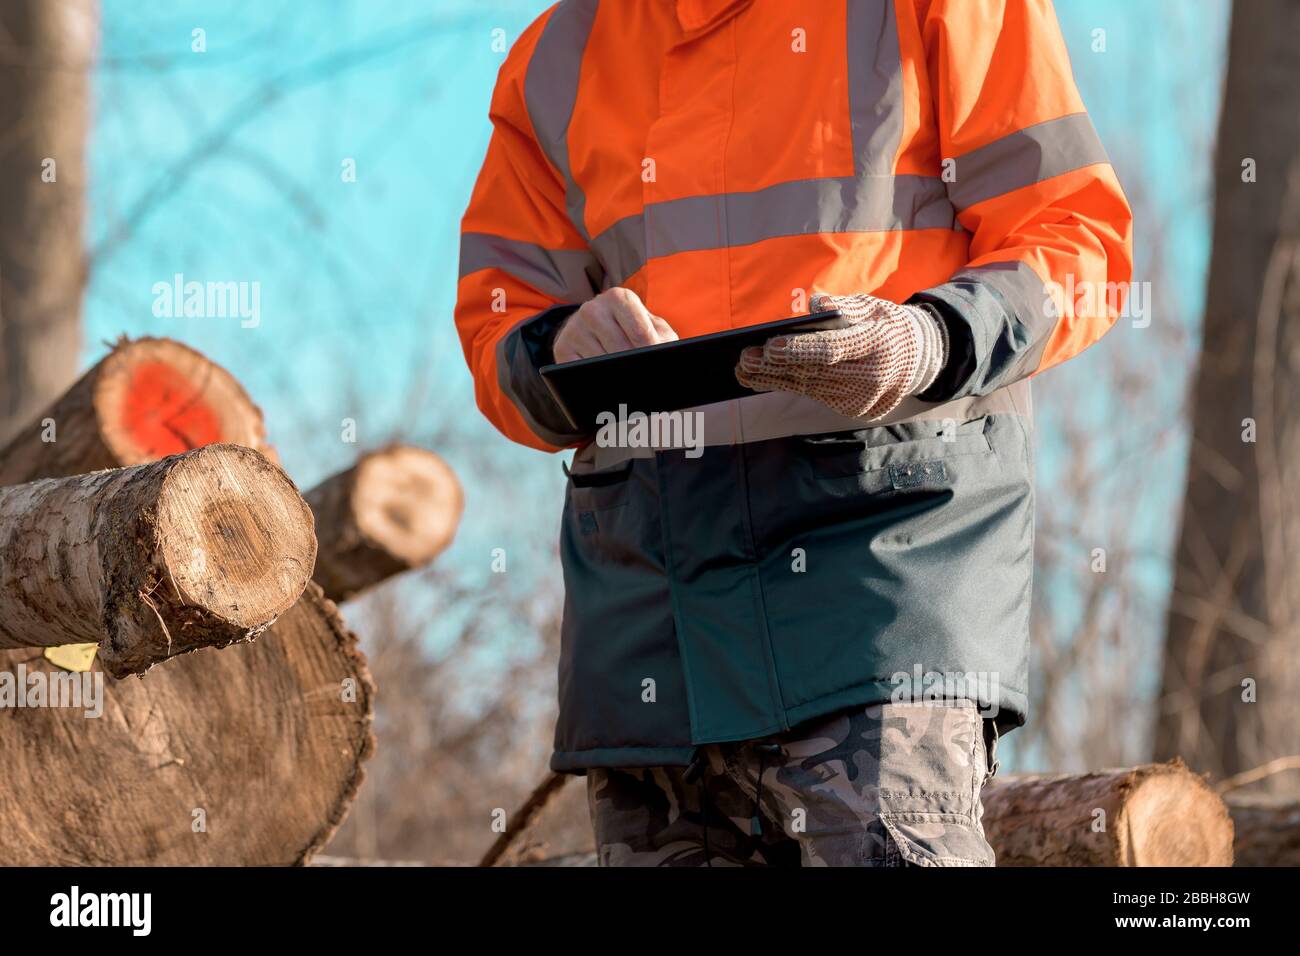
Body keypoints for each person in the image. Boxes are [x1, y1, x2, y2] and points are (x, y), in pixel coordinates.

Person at [455, 0, 1132, 866]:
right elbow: (496, 327)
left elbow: (1080, 242)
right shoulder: (556, 54)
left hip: (883, 578)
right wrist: (557, 345)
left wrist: (931, 340)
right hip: (650, 621)